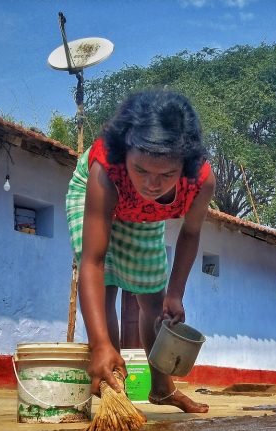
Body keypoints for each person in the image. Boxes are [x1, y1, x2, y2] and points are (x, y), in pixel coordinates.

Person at [66, 89, 213, 413]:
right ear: (126, 157)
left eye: (166, 175)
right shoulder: (107, 167)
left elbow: (190, 234)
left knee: (153, 297)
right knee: (105, 284)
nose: (152, 184)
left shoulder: (200, 181)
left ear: (184, 167)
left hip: (142, 216)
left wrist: (175, 294)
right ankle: (113, 385)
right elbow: (93, 261)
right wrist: (100, 345)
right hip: (100, 202)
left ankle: (161, 389)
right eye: (142, 170)